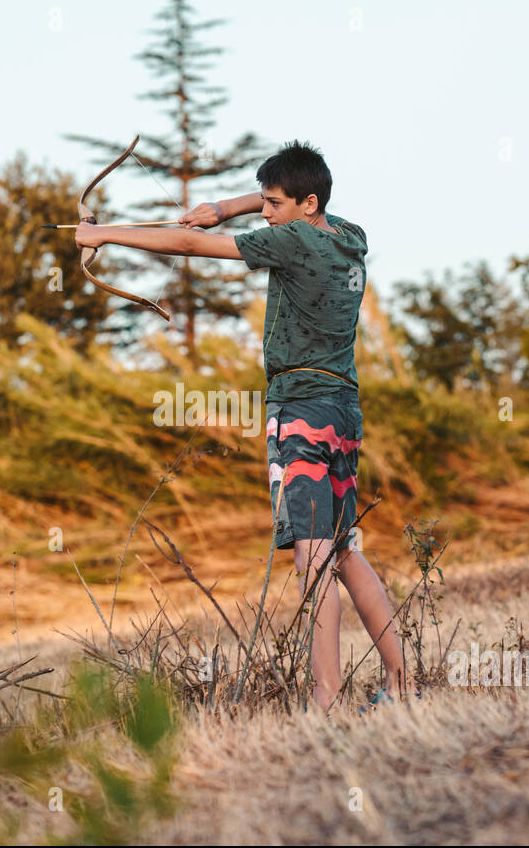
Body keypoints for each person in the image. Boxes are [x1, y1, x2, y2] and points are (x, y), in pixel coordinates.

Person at [74, 139, 411, 714]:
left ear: (305, 204)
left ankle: (325, 702)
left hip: (300, 412)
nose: (265, 211)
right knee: (345, 551)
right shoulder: (348, 236)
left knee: (313, 557)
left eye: (273, 203)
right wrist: (225, 207)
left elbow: (185, 244)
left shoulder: (292, 239)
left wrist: (103, 235)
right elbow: (252, 212)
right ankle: (403, 685)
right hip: (343, 413)